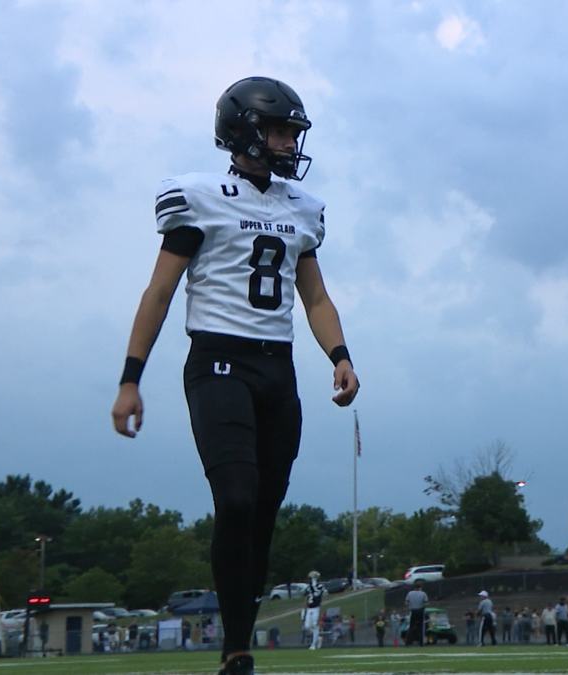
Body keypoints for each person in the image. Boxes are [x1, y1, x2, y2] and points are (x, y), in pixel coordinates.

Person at [110, 76, 359, 675]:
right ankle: (237, 650)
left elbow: (315, 296)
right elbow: (161, 290)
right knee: (237, 499)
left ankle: (238, 646)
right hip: (218, 362)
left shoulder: (302, 208)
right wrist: (129, 377)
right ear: (243, 131)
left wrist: (341, 356)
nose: (287, 143)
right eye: (278, 130)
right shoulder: (199, 196)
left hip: (278, 370)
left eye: (291, 132)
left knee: (265, 512)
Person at [304, 572, 326, 649]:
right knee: (307, 626)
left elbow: (317, 594)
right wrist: (304, 608)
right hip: (309, 608)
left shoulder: (320, 586)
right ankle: (318, 637)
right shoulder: (308, 587)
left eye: (312, 578)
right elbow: (307, 597)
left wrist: (314, 586)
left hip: (316, 608)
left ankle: (313, 644)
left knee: (315, 625)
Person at [405, 579, 428, 646]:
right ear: (420, 587)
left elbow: (406, 602)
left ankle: (408, 641)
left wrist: (411, 605)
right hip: (420, 611)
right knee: (421, 627)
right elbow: (426, 603)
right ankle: (421, 642)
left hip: (413, 611)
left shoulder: (410, 593)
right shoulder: (423, 594)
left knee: (411, 626)